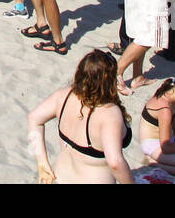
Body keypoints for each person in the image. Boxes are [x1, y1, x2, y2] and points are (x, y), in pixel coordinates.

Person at [27, 50, 134, 184]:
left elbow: (34, 118)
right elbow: (115, 163)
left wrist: (42, 163)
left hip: (61, 179)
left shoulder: (63, 96)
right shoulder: (109, 113)